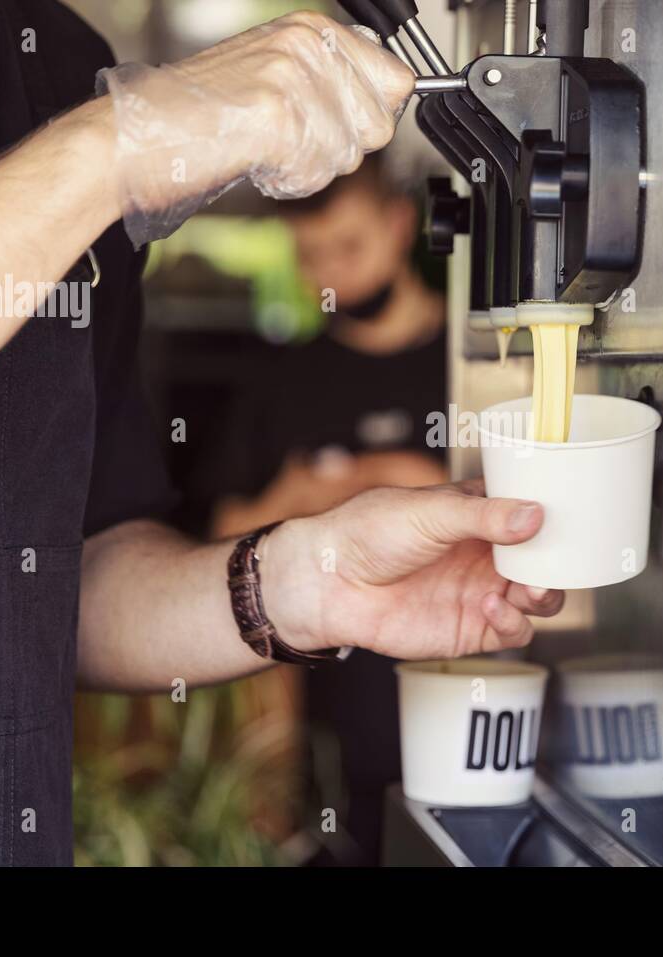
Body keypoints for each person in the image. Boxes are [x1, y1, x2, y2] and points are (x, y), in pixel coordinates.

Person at [0, 3, 563, 866]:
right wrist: (110, 148)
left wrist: (307, 581)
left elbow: (76, 574)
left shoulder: (62, 60)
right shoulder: (103, 113)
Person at [198, 155, 449, 865]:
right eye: (311, 256)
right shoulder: (279, 381)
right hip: (320, 723)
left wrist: (368, 480)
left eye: (349, 247)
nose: (332, 276)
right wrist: (316, 492)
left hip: (455, 705)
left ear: (400, 225)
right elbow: (219, 549)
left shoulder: (472, 363)